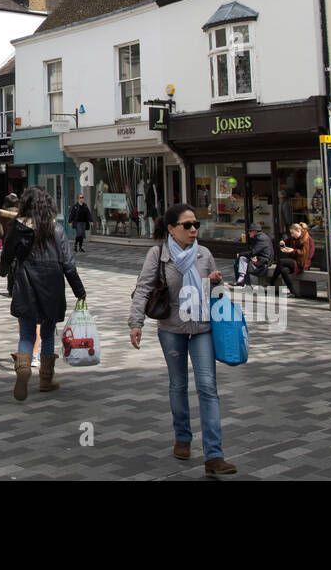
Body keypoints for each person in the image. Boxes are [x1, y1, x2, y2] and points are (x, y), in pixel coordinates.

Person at [128, 203, 235, 476]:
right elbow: (143, 289)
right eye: (187, 225)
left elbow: (218, 293)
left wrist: (215, 282)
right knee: (178, 384)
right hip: (172, 328)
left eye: (196, 224)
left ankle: (214, 455)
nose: (193, 229)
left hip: (202, 328)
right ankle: (183, 437)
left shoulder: (204, 254)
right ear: (171, 229)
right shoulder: (158, 254)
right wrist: (136, 323)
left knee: (208, 387)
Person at [0, 186, 87, 401]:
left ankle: (23, 369)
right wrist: (79, 290)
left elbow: (6, 256)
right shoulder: (55, 229)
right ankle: (46, 379)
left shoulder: (17, 227)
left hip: (26, 283)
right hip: (52, 284)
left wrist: (3, 272)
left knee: (27, 333)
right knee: (47, 332)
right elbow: (68, 264)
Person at [272, 221, 314, 297]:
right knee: (283, 270)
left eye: (293, 233)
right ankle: (293, 292)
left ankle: (271, 282)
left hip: (303, 263)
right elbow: (286, 241)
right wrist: (283, 243)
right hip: (295, 261)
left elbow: (306, 255)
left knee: (281, 261)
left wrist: (293, 251)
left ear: (299, 231)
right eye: (291, 233)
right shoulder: (293, 238)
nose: (292, 235)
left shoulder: (307, 240)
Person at [234, 222, 274, 287]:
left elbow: (253, 252)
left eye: (250, 231)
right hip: (261, 258)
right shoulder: (258, 237)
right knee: (241, 260)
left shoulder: (261, 238)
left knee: (242, 260)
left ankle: (243, 281)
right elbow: (255, 251)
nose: (249, 233)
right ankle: (243, 281)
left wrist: (240, 254)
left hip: (264, 261)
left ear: (255, 231)